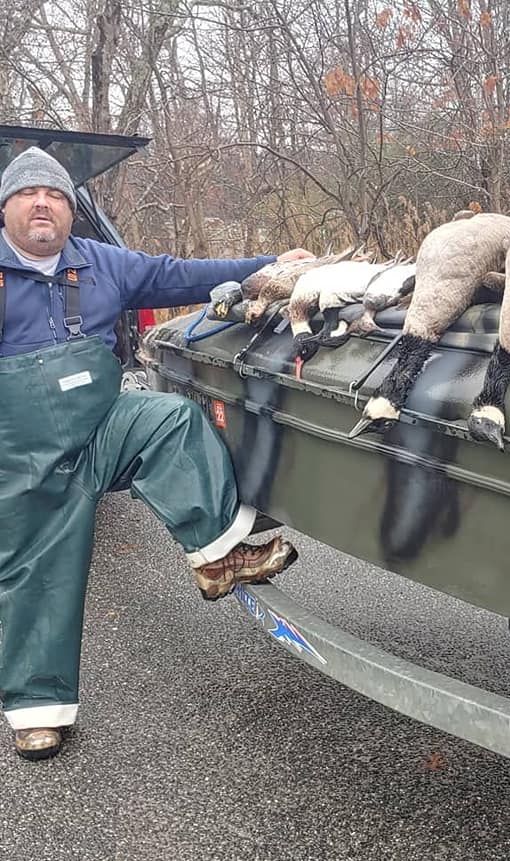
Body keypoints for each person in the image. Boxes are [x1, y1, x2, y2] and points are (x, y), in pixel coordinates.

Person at [0, 147, 309, 761]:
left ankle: (219, 555)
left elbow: (180, 273)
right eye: (29, 194)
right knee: (39, 573)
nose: (43, 204)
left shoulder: (101, 263)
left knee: (170, 418)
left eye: (56, 195)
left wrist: (268, 266)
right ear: (6, 206)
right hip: (24, 455)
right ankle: (37, 710)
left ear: (69, 209)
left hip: (100, 428)